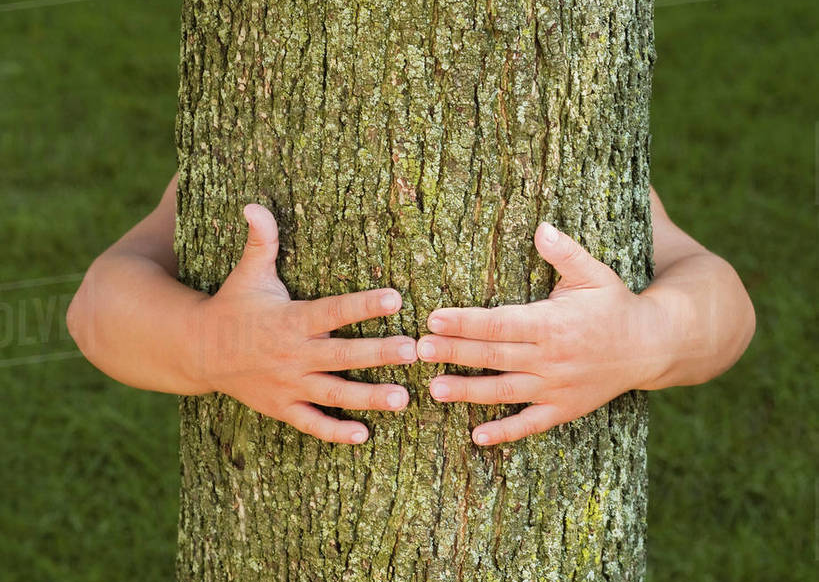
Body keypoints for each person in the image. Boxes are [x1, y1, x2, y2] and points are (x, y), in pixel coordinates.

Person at [66, 171, 756, 448]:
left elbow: (722, 303)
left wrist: (643, 336)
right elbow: (95, 308)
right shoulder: (229, 162)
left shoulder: (584, 164)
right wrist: (207, 344)